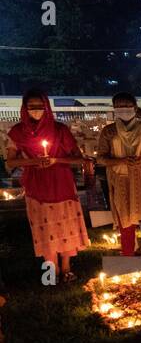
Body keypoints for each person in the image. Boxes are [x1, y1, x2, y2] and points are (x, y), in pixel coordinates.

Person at [5, 89, 88, 279]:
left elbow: (78, 158)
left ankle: (66, 267)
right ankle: (51, 271)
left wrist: (55, 160)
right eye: (31, 106)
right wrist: (35, 162)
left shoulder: (60, 130)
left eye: (39, 106)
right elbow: (11, 161)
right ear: (24, 108)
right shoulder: (18, 132)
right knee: (44, 227)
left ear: (47, 107)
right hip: (37, 187)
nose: (35, 110)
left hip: (61, 184)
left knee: (66, 227)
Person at [95, 91, 141, 256]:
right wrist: (121, 161)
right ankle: (129, 256)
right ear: (114, 109)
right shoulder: (109, 131)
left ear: (135, 107)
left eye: (126, 106)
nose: (123, 109)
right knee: (126, 221)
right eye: (119, 106)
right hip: (121, 180)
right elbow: (101, 158)